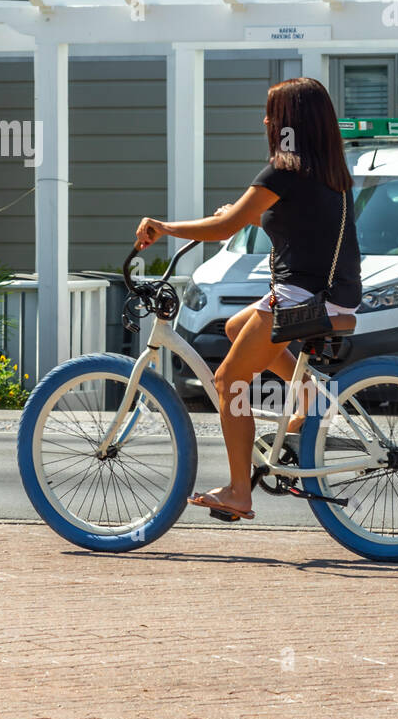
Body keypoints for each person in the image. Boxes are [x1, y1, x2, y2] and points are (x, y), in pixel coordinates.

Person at [135, 76, 362, 519]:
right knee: (238, 327)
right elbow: (302, 225)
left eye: (272, 114)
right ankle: (313, 397)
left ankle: (240, 491)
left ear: (289, 122)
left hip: (299, 301)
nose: (265, 121)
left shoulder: (283, 169)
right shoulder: (328, 170)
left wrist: (164, 227)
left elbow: (222, 231)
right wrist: (254, 220)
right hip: (333, 299)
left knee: (227, 381)